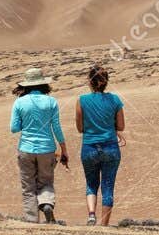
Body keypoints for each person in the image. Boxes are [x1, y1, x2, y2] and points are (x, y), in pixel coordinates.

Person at [8, 66, 69, 223]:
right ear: (43, 84)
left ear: (26, 85)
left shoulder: (19, 102)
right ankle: (47, 203)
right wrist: (64, 150)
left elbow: (14, 128)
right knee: (46, 182)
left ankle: (32, 220)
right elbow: (56, 127)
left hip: (26, 149)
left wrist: (27, 123)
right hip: (47, 149)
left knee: (28, 187)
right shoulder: (51, 102)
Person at [76, 65, 125, 225]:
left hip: (89, 146)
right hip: (110, 146)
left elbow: (80, 128)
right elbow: (121, 126)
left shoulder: (82, 100)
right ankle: (104, 225)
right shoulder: (115, 99)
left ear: (90, 82)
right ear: (106, 82)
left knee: (91, 183)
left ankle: (91, 215)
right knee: (108, 186)